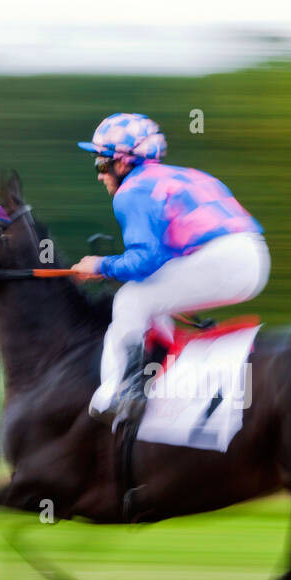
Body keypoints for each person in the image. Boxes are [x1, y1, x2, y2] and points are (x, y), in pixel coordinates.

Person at [70, 113, 269, 424]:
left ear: (122, 163)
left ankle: (122, 391)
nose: (100, 174)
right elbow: (162, 262)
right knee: (152, 302)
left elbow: (144, 261)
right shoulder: (189, 175)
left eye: (101, 164)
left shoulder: (133, 190)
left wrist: (100, 265)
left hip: (222, 260)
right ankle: (163, 373)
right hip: (254, 257)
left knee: (132, 299)